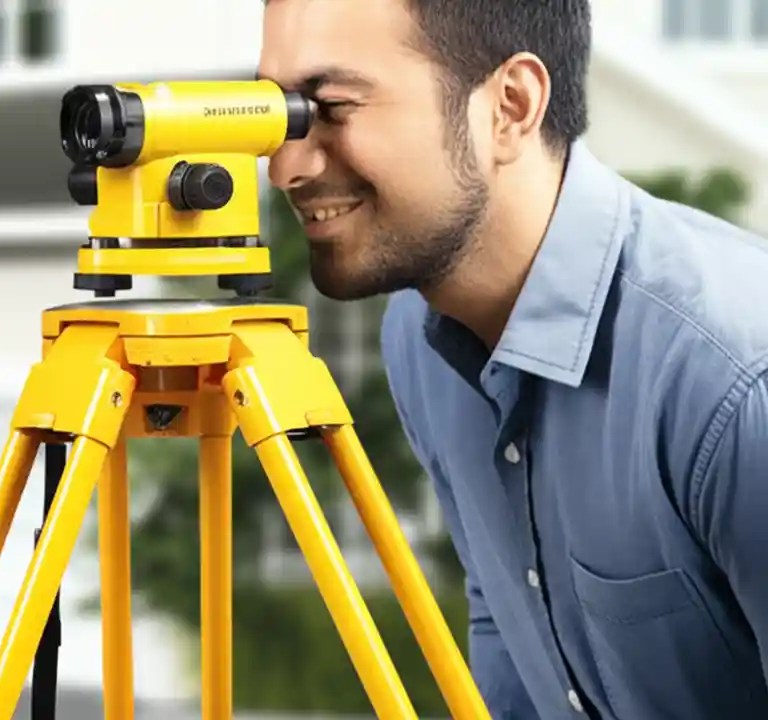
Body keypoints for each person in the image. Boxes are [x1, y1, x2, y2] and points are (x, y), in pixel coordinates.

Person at [257, 1, 768, 718]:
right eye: (280, 112)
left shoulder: (735, 381)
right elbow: (509, 620)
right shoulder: (420, 336)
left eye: (333, 107)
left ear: (510, 106)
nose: (284, 166)